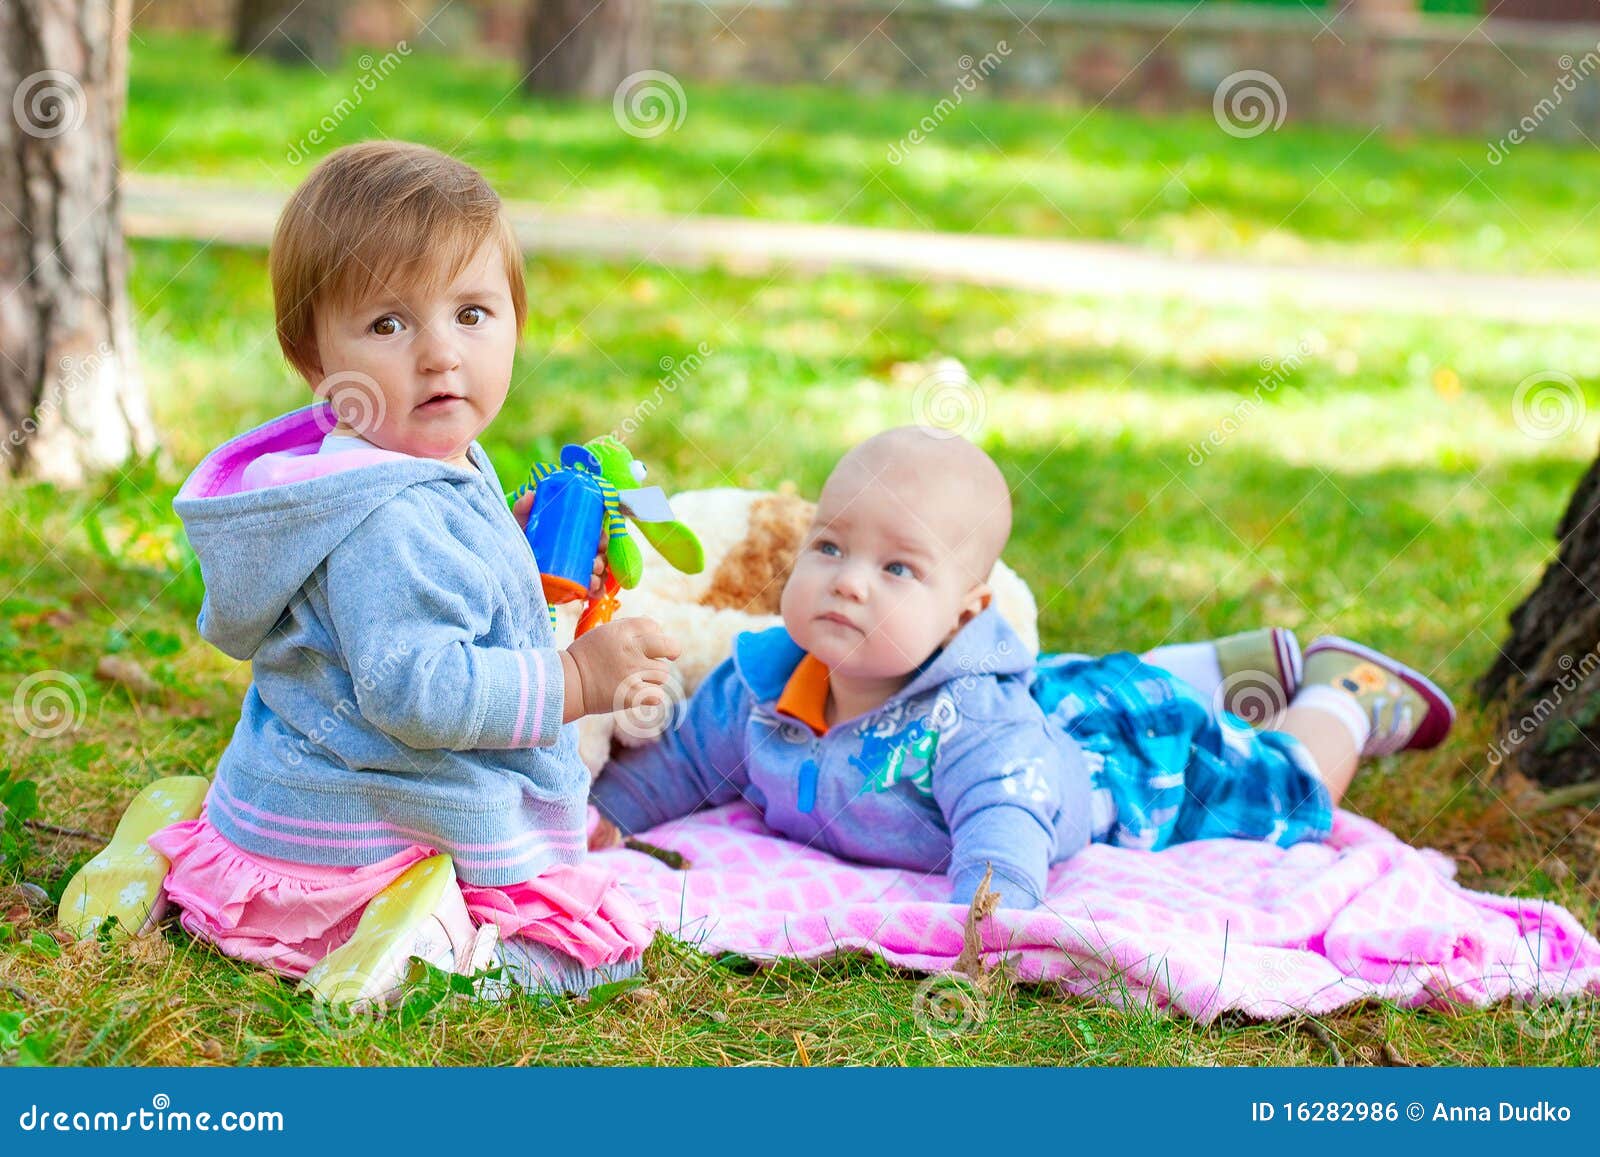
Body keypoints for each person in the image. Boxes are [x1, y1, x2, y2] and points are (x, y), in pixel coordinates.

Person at [62, 141, 681, 1005]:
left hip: (294, 800)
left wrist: (509, 534)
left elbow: (442, 579)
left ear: (517, 319)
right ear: (313, 358)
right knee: (585, 952)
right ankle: (428, 944)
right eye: (389, 324)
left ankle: (174, 842)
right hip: (367, 828)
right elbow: (419, 691)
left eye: (472, 313)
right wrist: (575, 677)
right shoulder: (383, 517)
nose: (439, 354)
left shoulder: (379, 464)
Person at [588, 426, 1453, 910]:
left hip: (1129, 765)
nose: (848, 581)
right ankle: (1227, 668)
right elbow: (691, 762)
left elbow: (1004, 814)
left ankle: (1339, 692)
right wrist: (611, 813)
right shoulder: (764, 679)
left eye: (897, 569)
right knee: (1087, 683)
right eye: (830, 545)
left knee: (1282, 790)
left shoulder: (977, 731)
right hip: (1053, 700)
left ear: (967, 611)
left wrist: (988, 910)